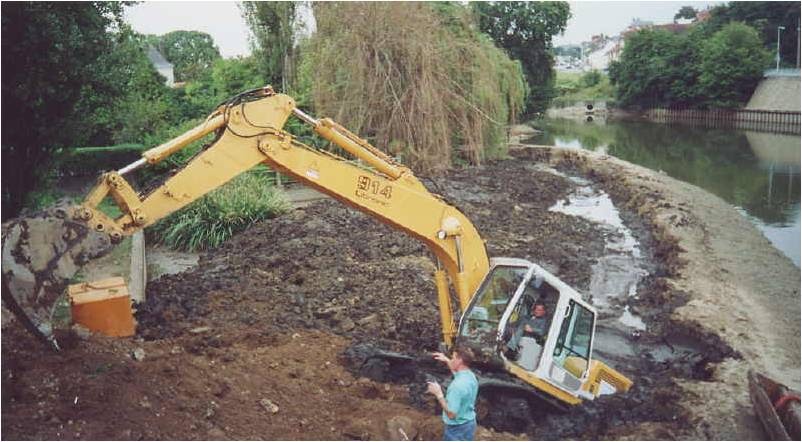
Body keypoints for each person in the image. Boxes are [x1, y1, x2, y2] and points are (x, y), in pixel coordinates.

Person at [426, 345, 479, 441]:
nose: (451, 360)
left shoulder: (457, 386)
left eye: (453, 358)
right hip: (469, 424)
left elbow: (451, 414)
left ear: (459, 361)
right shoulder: (470, 376)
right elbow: (456, 373)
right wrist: (446, 360)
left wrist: (439, 394)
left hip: (457, 429)